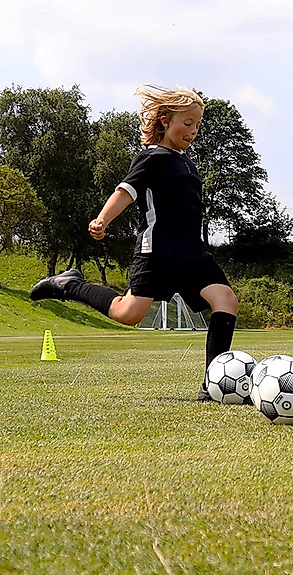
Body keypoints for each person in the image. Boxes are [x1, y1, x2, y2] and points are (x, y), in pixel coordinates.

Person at [30, 85, 240, 401]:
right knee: (129, 313)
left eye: (197, 125)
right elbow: (126, 190)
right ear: (166, 121)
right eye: (187, 122)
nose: (193, 130)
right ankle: (68, 285)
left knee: (226, 300)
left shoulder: (187, 163)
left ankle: (213, 386)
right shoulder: (152, 157)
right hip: (158, 251)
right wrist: (103, 219)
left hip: (192, 253)